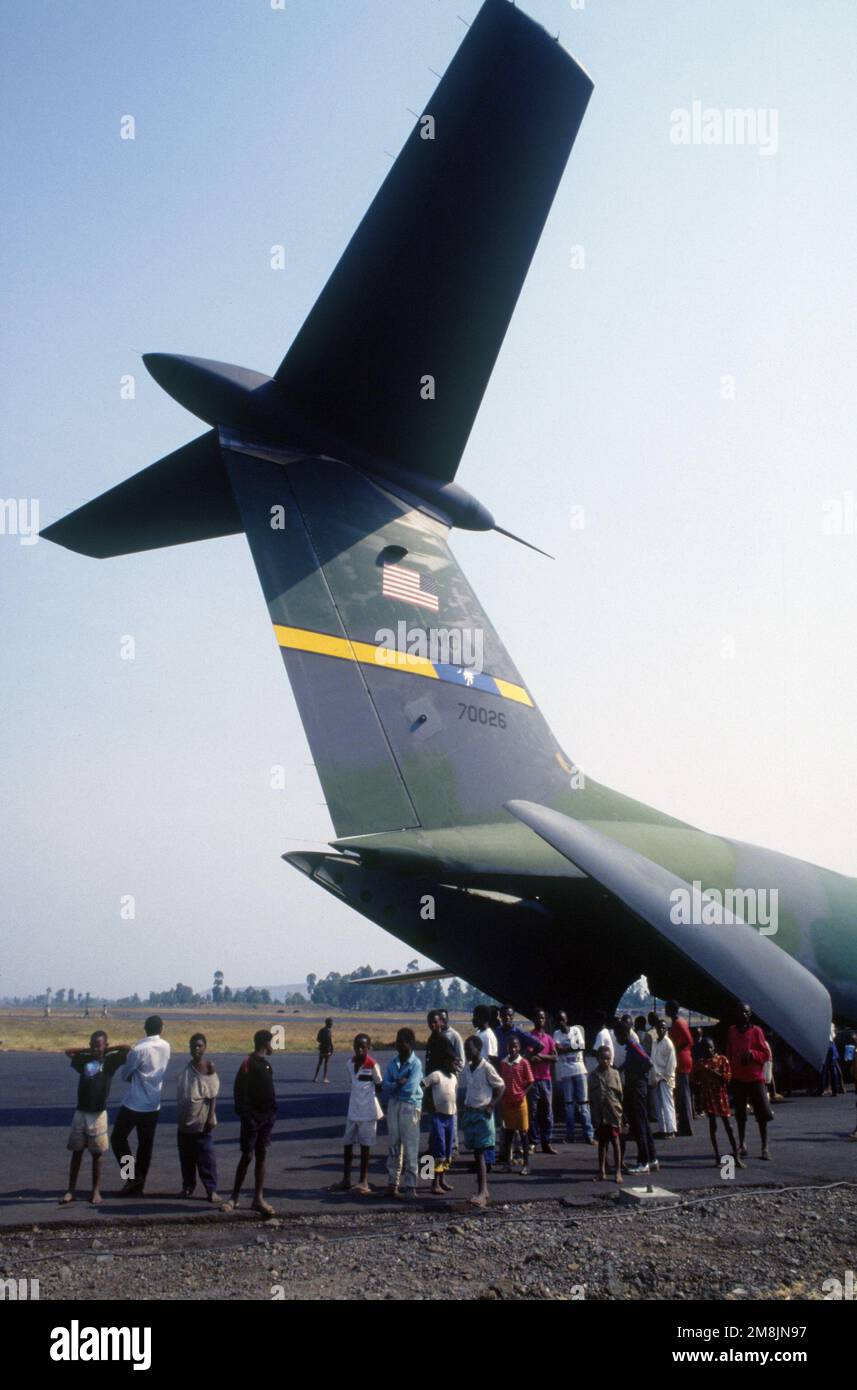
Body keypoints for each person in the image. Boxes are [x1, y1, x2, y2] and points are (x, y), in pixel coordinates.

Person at [62, 1031, 130, 1206]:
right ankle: (71, 1190)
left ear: (105, 1046)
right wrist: (90, 1050)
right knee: (77, 1151)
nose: (94, 1048)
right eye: (92, 1045)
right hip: (81, 1112)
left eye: (98, 1045)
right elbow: (68, 1051)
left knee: (97, 1154)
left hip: (98, 1114)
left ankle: (95, 1190)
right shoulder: (84, 1060)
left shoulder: (109, 1062)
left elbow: (127, 1049)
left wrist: (106, 1050)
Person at [110, 1015, 170, 1196]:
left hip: (134, 1103)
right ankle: (139, 1183)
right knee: (145, 1145)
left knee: (118, 1139)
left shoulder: (139, 1050)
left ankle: (131, 1176)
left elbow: (125, 1075)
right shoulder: (166, 1046)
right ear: (161, 1028)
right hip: (153, 1104)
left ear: (145, 1028)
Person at [222, 1030, 277, 1215]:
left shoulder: (267, 1065)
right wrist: (247, 1116)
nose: (272, 1047)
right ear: (265, 1043)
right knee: (247, 1156)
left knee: (262, 1154)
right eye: (271, 1043)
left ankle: (258, 1198)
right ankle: (234, 1197)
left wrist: (272, 1113)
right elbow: (240, 1092)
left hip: (266, 1119)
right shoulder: (248, 1063)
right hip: (252, 1119)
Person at [331, 1033, 383, 1196]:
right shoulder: (349, 1063)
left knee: (365, 1147)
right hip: (353, 1111)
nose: (360, 1049)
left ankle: (363, 1180)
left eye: (363, 1047)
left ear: (369, 1048)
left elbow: (379, 1084)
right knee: (347, 1144)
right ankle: (346, 1179)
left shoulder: (373, 1065)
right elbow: (352, 1082)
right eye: (357, 1046)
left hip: (367, 1112)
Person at [175, 1033, 220, 1203]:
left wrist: (210, 1117)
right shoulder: (186, 1070)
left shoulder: (209, 1067)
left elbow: (213, 1094)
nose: (196, 1049)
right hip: (185, 1122)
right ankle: (188, 1187)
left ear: (205, 1047)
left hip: (201, 1122)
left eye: (200, 1046)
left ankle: (211, 1190)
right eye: (193, 1046)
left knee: (206, 1158)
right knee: (186, 1158)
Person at [461, 1035, 504, 1207]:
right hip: (470, 1112)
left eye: (469, 1049)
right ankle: (482, 1191)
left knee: (480, 1154)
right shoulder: (468, 1067)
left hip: (482, 1114)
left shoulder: (487, 1067)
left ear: (478, 1050)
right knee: (476, 1153)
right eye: (465, 1050)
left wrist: (491, 1105)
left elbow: (501, 1086)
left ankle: (482, 1192)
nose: (467, 1053)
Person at [726, 1003, 773, 1160]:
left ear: (750, 1014)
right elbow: (729, 1053)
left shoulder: (756, 1031)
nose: (743, 1015)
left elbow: (766, 1054)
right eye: (741, 1012)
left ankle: (764, 1147)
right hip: (739, 1078)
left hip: (755, 1078)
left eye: (746, 1012)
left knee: (762, 1114)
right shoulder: (732, 1031)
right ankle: (742, 1144)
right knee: (740, 1114)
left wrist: (752, 1054)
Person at [381, 1027, 423, 1199]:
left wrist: (395, 1085)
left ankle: (411, 1185)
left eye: (402, 1042)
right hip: (395, 1104)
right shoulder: (393, 1062)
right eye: (397, 1041)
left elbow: (411, 1089)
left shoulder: (416, 1064)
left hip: (410, 1105)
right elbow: (386, 1085)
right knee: (394, 1143)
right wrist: (398, 1084)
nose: (398, 1045)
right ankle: (393, 1182)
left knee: (410, 1144)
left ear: (410, 1044)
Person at [692, 1036, 744, 1169]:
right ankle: (717, 1157)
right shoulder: (702, 1063)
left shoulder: (722, 1060)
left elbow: (727, 1078)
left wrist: (712, 1072)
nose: (708, 1050)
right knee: (712, 1126)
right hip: (709, 1096)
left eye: (710, 1047)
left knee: (728, 1126)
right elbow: (695, 1079)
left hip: (721, 1097)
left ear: (714, 1047)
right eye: (705, 1048)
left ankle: (736, 1156)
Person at [615, 1020, 658, 1174]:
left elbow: (647, 1061)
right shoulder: (631, 1047)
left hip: (637, 1088)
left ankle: (643, 1161)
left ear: (623, 1034)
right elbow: (629, 1063)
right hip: (637, 1086)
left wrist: (640, 1077)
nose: (616, 1038)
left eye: (617, 1035)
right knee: (643, 1123)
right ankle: (652, 1159)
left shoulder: (634, 1046)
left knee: (639, 1124)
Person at [422, 1035, 458, 1194]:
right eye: (453, 1062)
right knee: (438, 1147)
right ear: (446, 1062)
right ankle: (432, 1181)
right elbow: (422, 1085)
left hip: (450, 1117)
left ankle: (441, 1179)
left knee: (447, 1149)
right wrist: (429, 1103)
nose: (455, 1065)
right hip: (438, 1116)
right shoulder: (437, 1075)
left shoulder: (454, 1078)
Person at [553, 1011, 593, 1144]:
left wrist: (565, 1048)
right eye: (559, 1020)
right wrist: (571, 1047)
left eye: (563, 1020)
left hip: (579, 1070)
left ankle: (589, 1135)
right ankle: (570, 1135)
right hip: (566, 1072)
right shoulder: (556, 1034)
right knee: (569, 1105)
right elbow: (557, 1049)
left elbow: (581, 1046)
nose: (561, 1022)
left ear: (567, 1020)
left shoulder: (576, 1030)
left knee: (584, 1104)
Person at [499, 1034, 535, 1173]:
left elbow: (531, 1081)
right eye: (510, 1046)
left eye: (515, 1046)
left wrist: (523, 1093)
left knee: (523, 1133)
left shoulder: (524, 1063)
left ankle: (526, 1164)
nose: (513, 1049)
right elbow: (501, 1082)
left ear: (519, 1048)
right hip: (507, 1102)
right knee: (508, 1133)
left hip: (520, 1103)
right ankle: (508, 1163)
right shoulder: (503, 1063)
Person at [589, 1044, 623, 1183]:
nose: (605, 1061)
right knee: (602, 1143)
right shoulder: (593, 1075)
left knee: (615, 1142)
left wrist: (619, 1112)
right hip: (599, 1114)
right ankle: (601, 1171)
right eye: (603, 1058)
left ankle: (618, 1172)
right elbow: (591, 1096)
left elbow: (620, 1095)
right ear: (597, 1058)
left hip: (613, 1114)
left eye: (608, 1059)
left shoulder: (615, 1074)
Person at [526, 1009, 558, 1153]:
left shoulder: (549, 1039)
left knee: (547, 1113)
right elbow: (530, 1057)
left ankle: (546, 1141)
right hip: (532, 1079)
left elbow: (555, 1057)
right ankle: (533, 1142)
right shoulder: (529, 1037)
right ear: (534, 1019)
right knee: (532, 1112)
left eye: (542, 1018)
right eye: (538, 1018)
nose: (540, 1020)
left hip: (546, 1080)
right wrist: (545, 1057)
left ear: (545, 1020)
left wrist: (541, 1057)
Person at [665, 1000, 694, 1136]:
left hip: (682, 1059)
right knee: (682, 1094)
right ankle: (684, 1124)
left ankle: (687, 1127)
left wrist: (675, 1049)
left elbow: (689, 1040)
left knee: (683, 1095)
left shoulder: (678, 1023)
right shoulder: (678, 1022)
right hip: (681, 1058)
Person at [649, 1018, 677, 1137]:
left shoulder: (668, 1043)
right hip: (656, 1077)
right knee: (658, 1105)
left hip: (665, 1078)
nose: (660, 1029)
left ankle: (671, 1130)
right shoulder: (655, 1043)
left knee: (667, 1104)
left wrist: (665, 1077)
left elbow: (672, 1064)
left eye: (663, 1028)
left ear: (666, 1029)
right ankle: (663, 1129)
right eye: (659, 1027)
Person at [314, 1018, 334, 1083]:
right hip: (327, 1049)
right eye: (331, 1023)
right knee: (325, 1063)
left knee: (320, 1063)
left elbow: (318, 1039)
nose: (332, 1025)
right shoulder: (328, 1031)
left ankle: (315, 1077)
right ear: (327, 1023)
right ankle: (324, 1078)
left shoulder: (322, 1030)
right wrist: (331, 1049)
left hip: (322, 1048)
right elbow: (330, 1042)